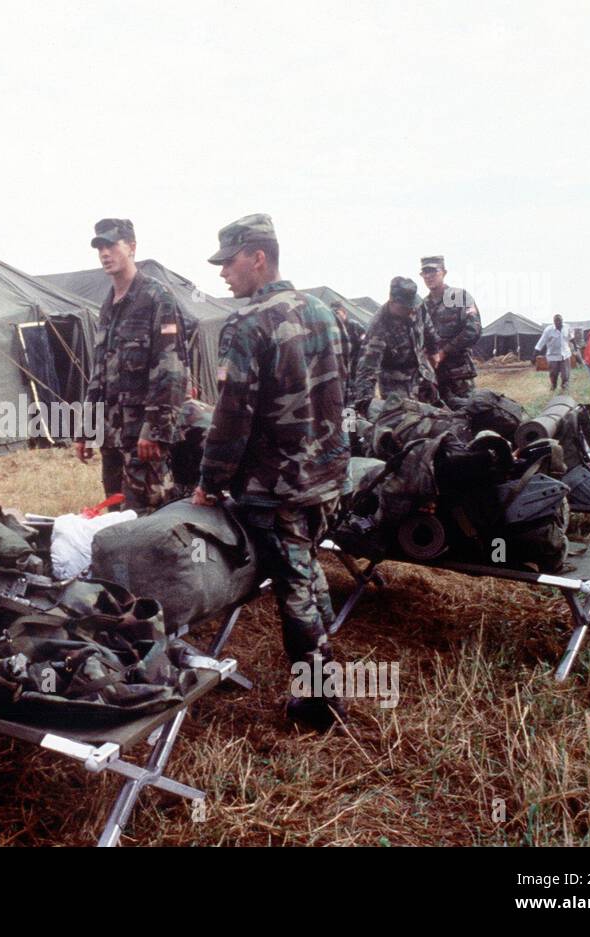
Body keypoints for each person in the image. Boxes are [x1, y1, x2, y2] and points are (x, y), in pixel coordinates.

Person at [191, 213, 350, 732]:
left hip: (277, 487)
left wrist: (210, 482)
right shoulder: (326, 312)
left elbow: (232, 415)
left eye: (229, 263)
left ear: (258, 258)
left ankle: (320, 704)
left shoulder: (249, 324)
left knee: (293, 590)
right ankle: (330, 665)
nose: (222, 274)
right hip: (325, 477)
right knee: (306, 569)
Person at [75, 218, 187, 514]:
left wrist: (155, 429)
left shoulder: (156, 297)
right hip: (111, 435)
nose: (104, 253)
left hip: (143, 437)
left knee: (146, 515)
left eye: (111, 244)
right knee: (117, 517)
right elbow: (98, 373)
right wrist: (87, 429)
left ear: (132, 247)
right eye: (99, 246)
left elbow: (171, 370)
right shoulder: (108, 305)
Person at [351, 276, 441, 414]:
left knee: (436, 417)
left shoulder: (418, 306)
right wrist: (364, 405)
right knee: (406, 424)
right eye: (406, 307)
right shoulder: (378, 327)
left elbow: (429, 329)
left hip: (423, 375)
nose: (411, 311)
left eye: (412, 305)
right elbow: (367, 370)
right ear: (392, 301)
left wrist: (434, 350)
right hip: (397, 385)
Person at [419, 255, 481, 401]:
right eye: (425, 272)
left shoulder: (460, 297)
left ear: (444, 273)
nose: (428, 276)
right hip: (433, 375)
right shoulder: (422, 305)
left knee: (467, 415)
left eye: (433, 271)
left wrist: (444, 351)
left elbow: (473, 330)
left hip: (458, 374)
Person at [330, 301, 366, 408]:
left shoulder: (354, 326)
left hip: (355, 363)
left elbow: (365, 341)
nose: (336, 316)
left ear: (344, 312)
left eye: (338, 312)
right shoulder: (332, 328)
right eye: (333, 313)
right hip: (341, 365)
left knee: (354, 390)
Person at [534, 314, 576, 392]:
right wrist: (534, 354)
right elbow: (541, 342)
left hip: (565, 354)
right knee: (553, 373)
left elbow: (571, 337)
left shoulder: (567, 327)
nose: (558, 323)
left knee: (565, 373)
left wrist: (575, 347)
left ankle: (565, 386)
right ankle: (553, 385)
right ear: (554, 322)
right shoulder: (548, 330)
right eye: (556, 321)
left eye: (559, 321)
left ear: (562, 321)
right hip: (553, 356)